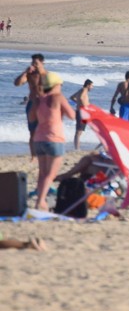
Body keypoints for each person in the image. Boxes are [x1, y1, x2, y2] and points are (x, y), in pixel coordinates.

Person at [31, 72, 75, 211]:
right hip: (54, 138)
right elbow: (72, 115)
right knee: (50, 174)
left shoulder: (39, 99)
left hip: (39, 138)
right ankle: (41, 200)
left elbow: (32, 118)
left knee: (42, 173)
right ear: (56, 85)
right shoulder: (58, 97)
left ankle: (40, 200)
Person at [69, 79, 93, 151]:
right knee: (79, 131)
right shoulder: (84, 90)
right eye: (92, 86)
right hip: (82, 112)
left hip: (80, 111)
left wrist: (78, 102)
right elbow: (82, 97)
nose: (92, 87)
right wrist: (85, 106)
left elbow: (72, 97)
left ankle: (77, 148)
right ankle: (77, 148)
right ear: (88, 85)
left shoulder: (81, 89)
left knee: (79, 131)